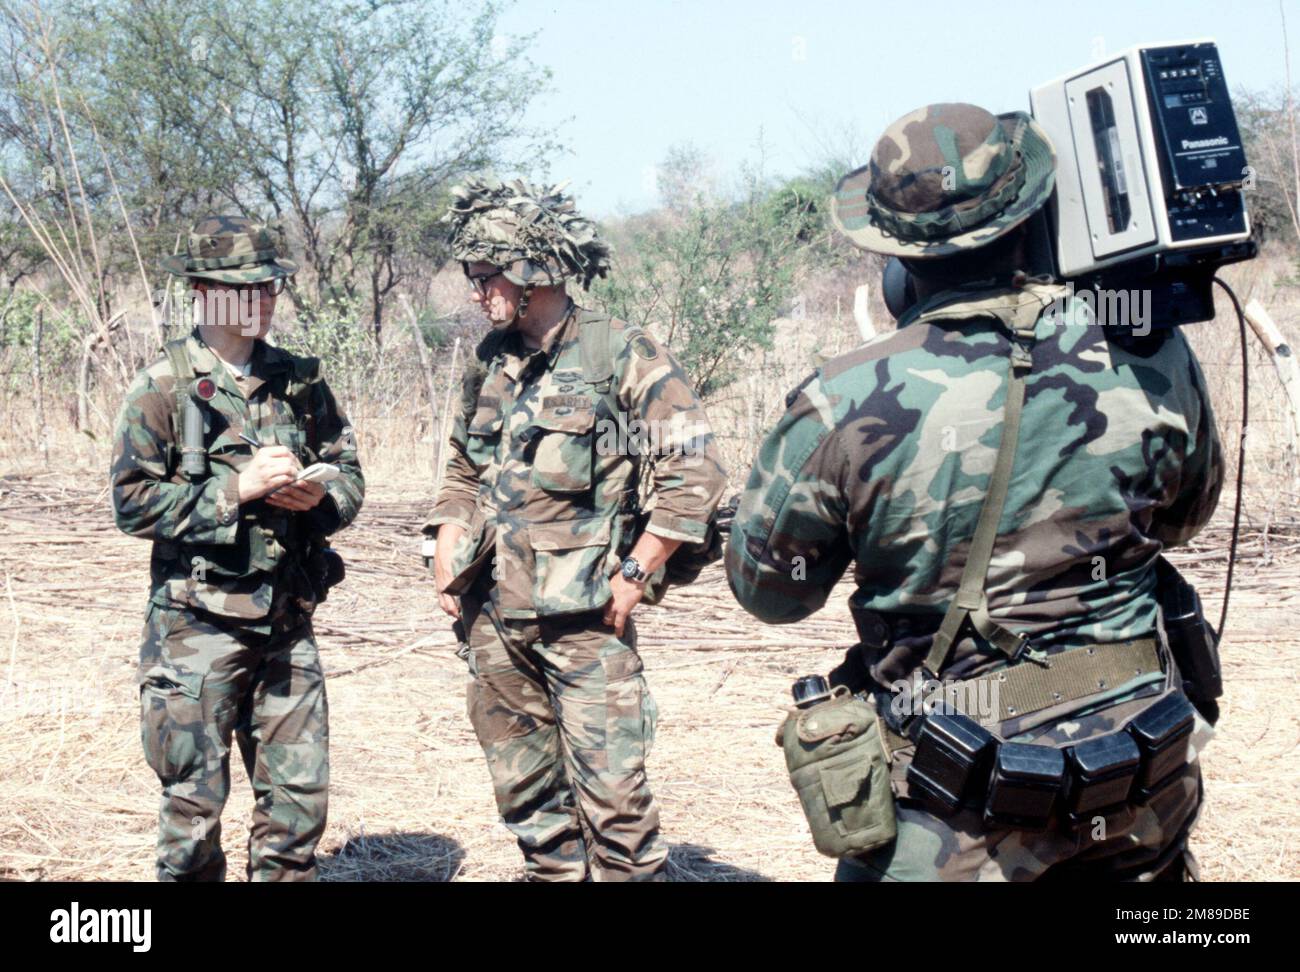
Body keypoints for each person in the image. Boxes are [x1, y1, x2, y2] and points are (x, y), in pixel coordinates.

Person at [726, 104, 1223, 881]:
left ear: (895, 261)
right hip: (1142, 786)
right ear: (1033, 220)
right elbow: (1187, 517)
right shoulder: (1151, 348)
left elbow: (772, 595)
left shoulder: (844, 400)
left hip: (958, 821)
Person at [425, 176, 726, 881]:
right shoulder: (491, 362)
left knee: (616, 806)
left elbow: (698, 469)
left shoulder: (617, 353)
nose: (477, 292)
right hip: (494, 613)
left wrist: (637, 572)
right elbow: (464, 465)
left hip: (586, 620)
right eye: (472, 278)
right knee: (528, 797)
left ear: (533, 273)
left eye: (486, 276)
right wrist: (446, 544)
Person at [111, 215, 364, 881]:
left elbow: (350, 475)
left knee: (297, 813)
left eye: (270, 287)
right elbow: (132, 503)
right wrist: (238, 491)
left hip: (286, 622)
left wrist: (321, 501)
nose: (262, 301)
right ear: (201, 290)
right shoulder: (162, 387)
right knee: (193, 814)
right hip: (195, 631)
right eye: (245, 288)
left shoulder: (300, 381)